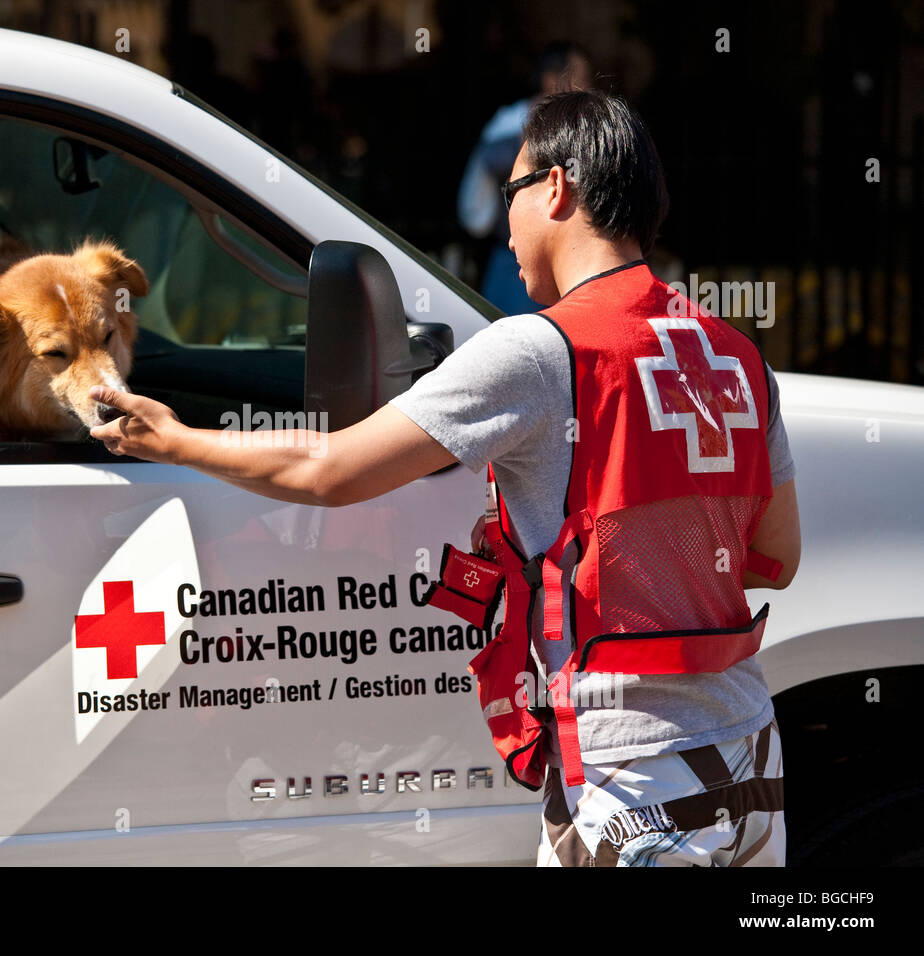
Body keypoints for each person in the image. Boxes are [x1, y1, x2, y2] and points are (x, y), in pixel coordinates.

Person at [88, 89, 801, 867]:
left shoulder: (537, 351)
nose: (505, 223)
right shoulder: (738, 356)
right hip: (752, 768)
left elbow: (330, 468)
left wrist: (178, 439)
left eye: (512, 192)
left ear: (556, 188)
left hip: (631, 783)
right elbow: (778, 555)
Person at [457, 43, 593, 315]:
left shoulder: (578, 123)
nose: (586, 85)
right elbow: (491, 160)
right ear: (551, 79)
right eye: (578, 75)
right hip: (513, 263)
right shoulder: (512, 122)